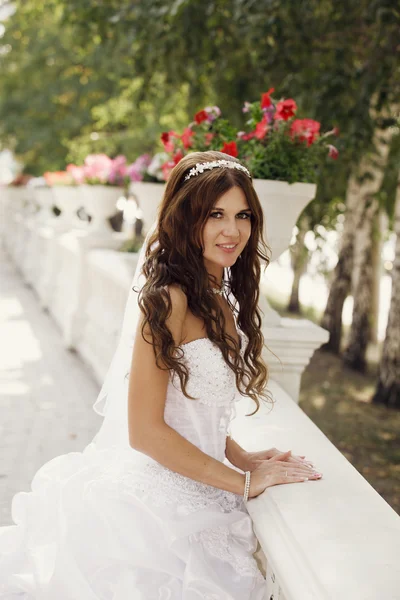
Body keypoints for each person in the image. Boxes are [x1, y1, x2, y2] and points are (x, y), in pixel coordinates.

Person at [0, 150, 321, 599]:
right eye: (215, 215)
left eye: (243, 215)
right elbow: (146, 431)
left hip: (209, 489)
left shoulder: (221, 296)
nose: (233, 231)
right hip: (155, 514)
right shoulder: (169, 301)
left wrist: (241, 456)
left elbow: (193, 404)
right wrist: (244, 483)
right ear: (187, 219)